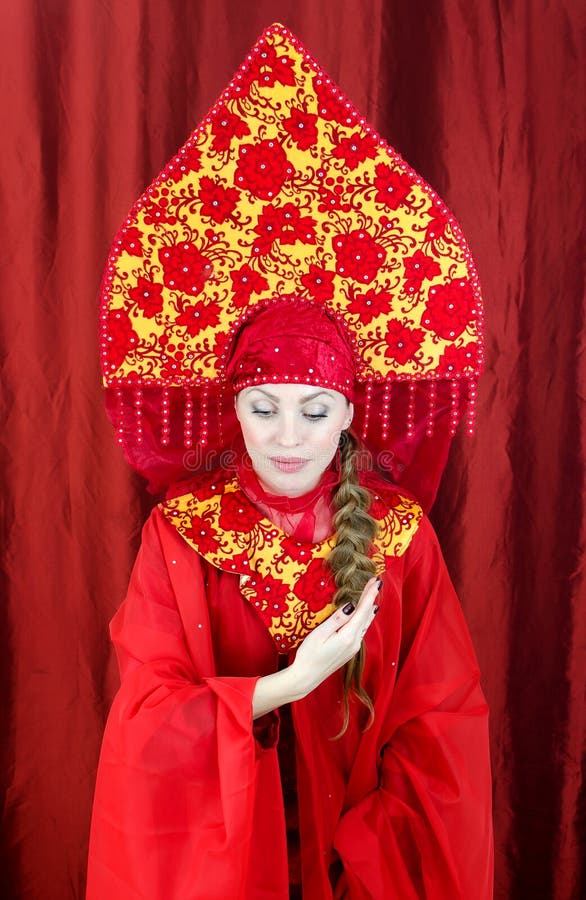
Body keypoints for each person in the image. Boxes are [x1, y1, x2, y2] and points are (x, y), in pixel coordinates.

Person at [87, 23, 493, 899]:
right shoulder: (182, 531)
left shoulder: (397, 535)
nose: (286, 436)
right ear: (231, 410)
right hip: (222, 854)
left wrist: (368, 854)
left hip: (362, 860)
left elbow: (440, 727)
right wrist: (285, 688)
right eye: (262, 409)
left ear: (349, 414)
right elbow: (147, 722)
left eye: (314, 412)